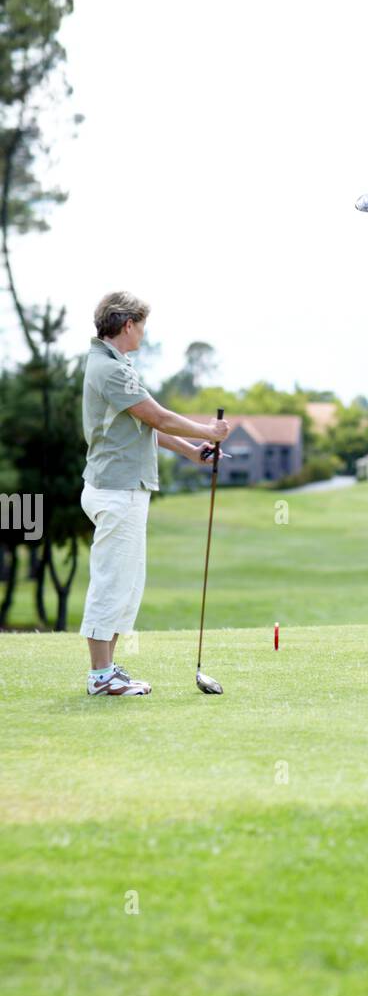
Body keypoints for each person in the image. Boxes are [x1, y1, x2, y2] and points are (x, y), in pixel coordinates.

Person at [79, 291, 229, 696]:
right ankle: (100, 676)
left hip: (120, 486)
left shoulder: (113, 364)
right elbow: (158, 415)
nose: (144, 333)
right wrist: (207, 431)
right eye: (141, 325)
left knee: (127, 583)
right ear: (127, 325)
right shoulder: (111, 369)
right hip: (117, 488)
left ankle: (107, 669)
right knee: (113, 582)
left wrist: (191, 450)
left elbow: (147, 426)